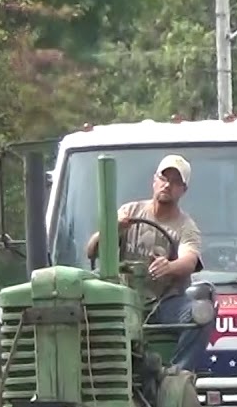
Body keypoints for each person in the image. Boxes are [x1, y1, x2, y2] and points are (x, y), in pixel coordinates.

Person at [84, 153, 213, 372]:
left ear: (183, 190)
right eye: (163, 179)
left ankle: (175, 375)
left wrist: (169, 267)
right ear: (154, 181)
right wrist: (113, 229)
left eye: (175, 182)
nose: (167, 185)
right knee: (81, 313)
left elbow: (189, 260)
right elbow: (92, 251)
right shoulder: (129, 212)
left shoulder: (185, 226)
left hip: (163, 304)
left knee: (201, 314)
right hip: (122, 299)